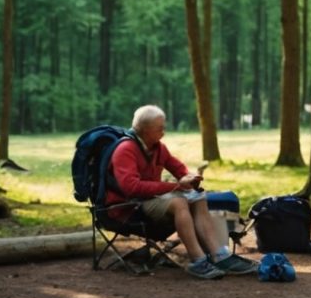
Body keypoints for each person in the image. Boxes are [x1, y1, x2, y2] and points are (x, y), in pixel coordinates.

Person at [109, 104, 256, 279]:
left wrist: (189, 178)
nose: (164, 132)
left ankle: (219, 255)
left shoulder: (157, 147)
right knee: (179, 202)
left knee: (198, 196)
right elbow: (131, 188)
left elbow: (177, 167)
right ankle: (198, 260)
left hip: (150, 199)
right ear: (145, 130)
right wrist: (175, 186)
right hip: (130, 206)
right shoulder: (125, 150)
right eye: (159, 128)